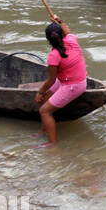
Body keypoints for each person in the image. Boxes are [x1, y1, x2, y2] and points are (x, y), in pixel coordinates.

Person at [35, 17, 86, 146]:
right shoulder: (71, 40)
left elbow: (51, 80)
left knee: (44, 111)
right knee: (44, 101)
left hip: (73, 85)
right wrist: (60, 22)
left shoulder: (54, 55)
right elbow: (68, 31)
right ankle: (43, 130)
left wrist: (40, 92)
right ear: (62, 35)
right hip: (74, 80)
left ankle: (52, 143)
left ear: (48, 40)